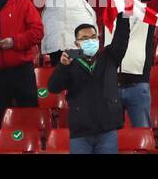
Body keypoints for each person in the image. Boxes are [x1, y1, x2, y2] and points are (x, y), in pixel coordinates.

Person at [47, 17, 130, 154]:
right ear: (77, 43)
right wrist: (62, 66)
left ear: (98, 39)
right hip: (80, 133)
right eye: (84, 38)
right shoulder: (70, 62)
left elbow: (121, 37)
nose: (90, 40)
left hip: (107, 129)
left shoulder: (109, 56)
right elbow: (53, 87)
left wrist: (124, 13)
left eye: (93, 37)